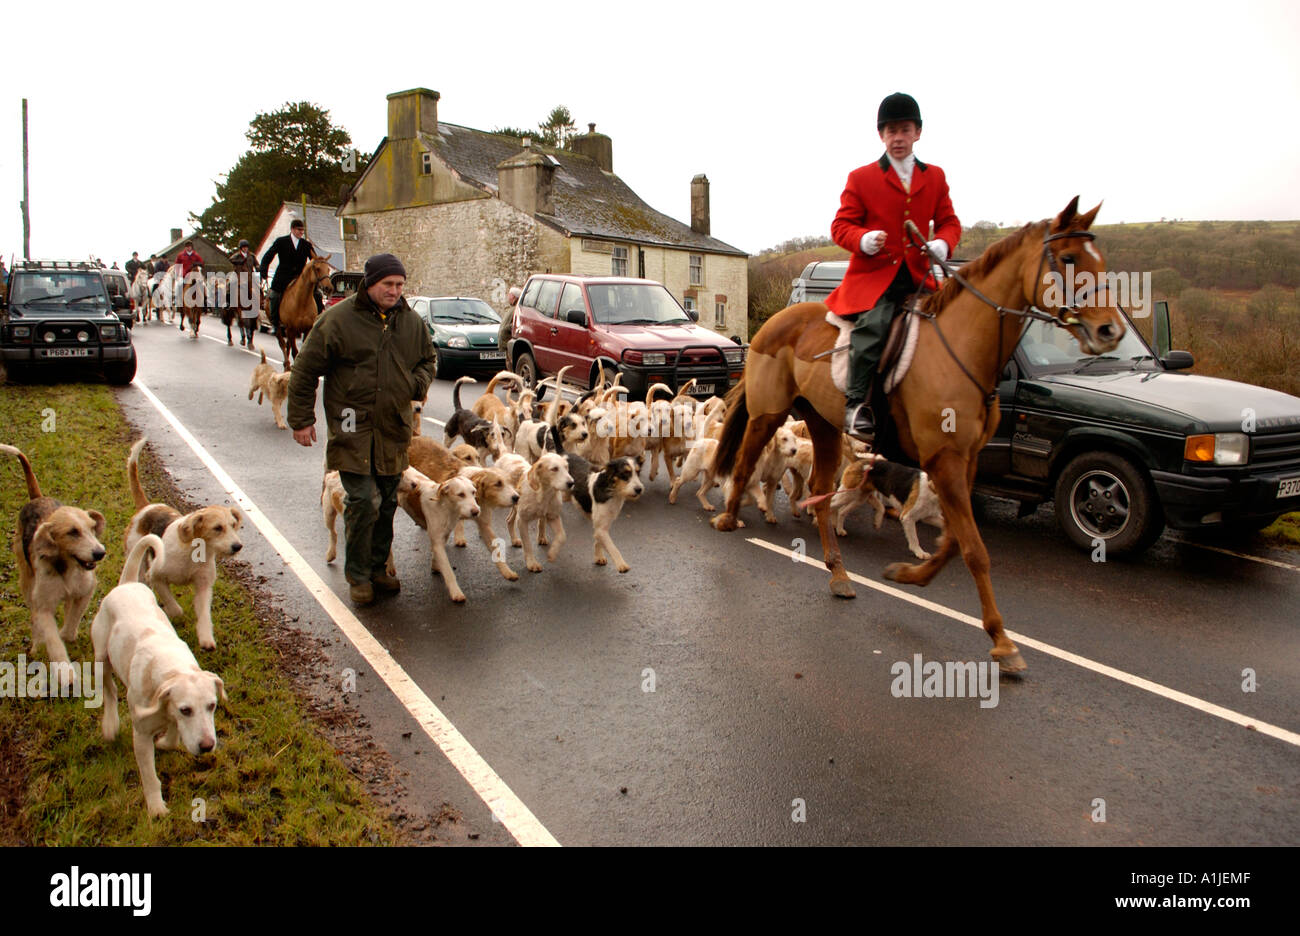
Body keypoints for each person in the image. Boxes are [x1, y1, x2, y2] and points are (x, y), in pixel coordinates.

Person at [286, 253, 436, 606]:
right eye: (388, 284)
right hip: (351, 425)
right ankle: (358, 576)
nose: (395, 291)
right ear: (369, 284)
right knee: (363, 501)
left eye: (400, 285)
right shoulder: (337, 321)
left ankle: (379, 568)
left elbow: (428, 359)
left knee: (386, 502)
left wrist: (417, 383)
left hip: (392, 429)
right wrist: (301, 419)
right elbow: (305, 370)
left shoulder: (411, 323)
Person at [827, 92, 961, 442]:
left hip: (920, 278)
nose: (897, 137)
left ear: (918, 132)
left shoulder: (935, 177)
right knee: (875, 326)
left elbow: (949, 221)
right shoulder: (861, 178)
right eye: (890, 131)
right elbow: (840, 227)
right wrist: (862, 239)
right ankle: (857, 405)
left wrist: (943, 243)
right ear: (881, 136)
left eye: (904, 129)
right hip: (875, 279)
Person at [259, 218, 321, 337]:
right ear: (292, 229)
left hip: (301, 278)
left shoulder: (306, 245)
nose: (301, 232)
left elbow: (315, 260)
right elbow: (268, 255)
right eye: (299, 230)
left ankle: (316, 321)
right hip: (283, 276)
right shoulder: (281, 242)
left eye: (302, 230)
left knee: (317, 295)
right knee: (274, 296)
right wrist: (263, 270)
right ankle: (275, 322)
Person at [229, 239, 260, 348]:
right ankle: (229, 303)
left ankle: (260, 302)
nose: (245, 248)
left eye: (247, 247)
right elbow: (231, 259)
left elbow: (257, 264)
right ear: (241, 248)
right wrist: (239, 262)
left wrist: (258, 267)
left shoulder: (251, 256)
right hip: (239, 277)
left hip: (250, 278)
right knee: (230, 286)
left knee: (258, 289)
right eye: (244, 247)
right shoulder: (237, 256)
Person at [497, 285, 523, 351]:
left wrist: (505, 329)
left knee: (510, 361)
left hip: (509, 344)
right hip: (505, 344)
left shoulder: (517, 309)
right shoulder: (512, 309)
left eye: (509, 295)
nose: (508, 297)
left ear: (513, 297)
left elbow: (518, 324)